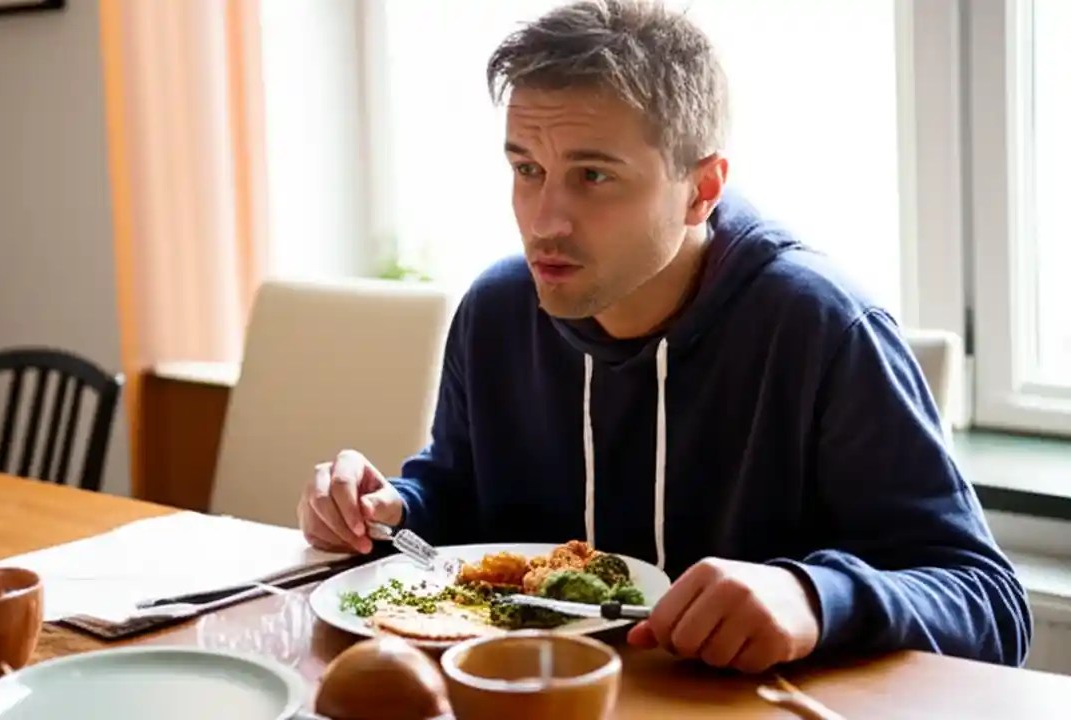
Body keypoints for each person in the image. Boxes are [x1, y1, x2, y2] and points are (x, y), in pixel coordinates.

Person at [297, 0, 1031, 671]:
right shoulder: (495, 312)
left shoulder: (822, 329)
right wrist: (393, 511)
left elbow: (990, 604)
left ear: (702, 188)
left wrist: (812, 598)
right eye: (527, 169)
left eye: (593, 176)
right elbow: (460, 497)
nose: (543, 220)